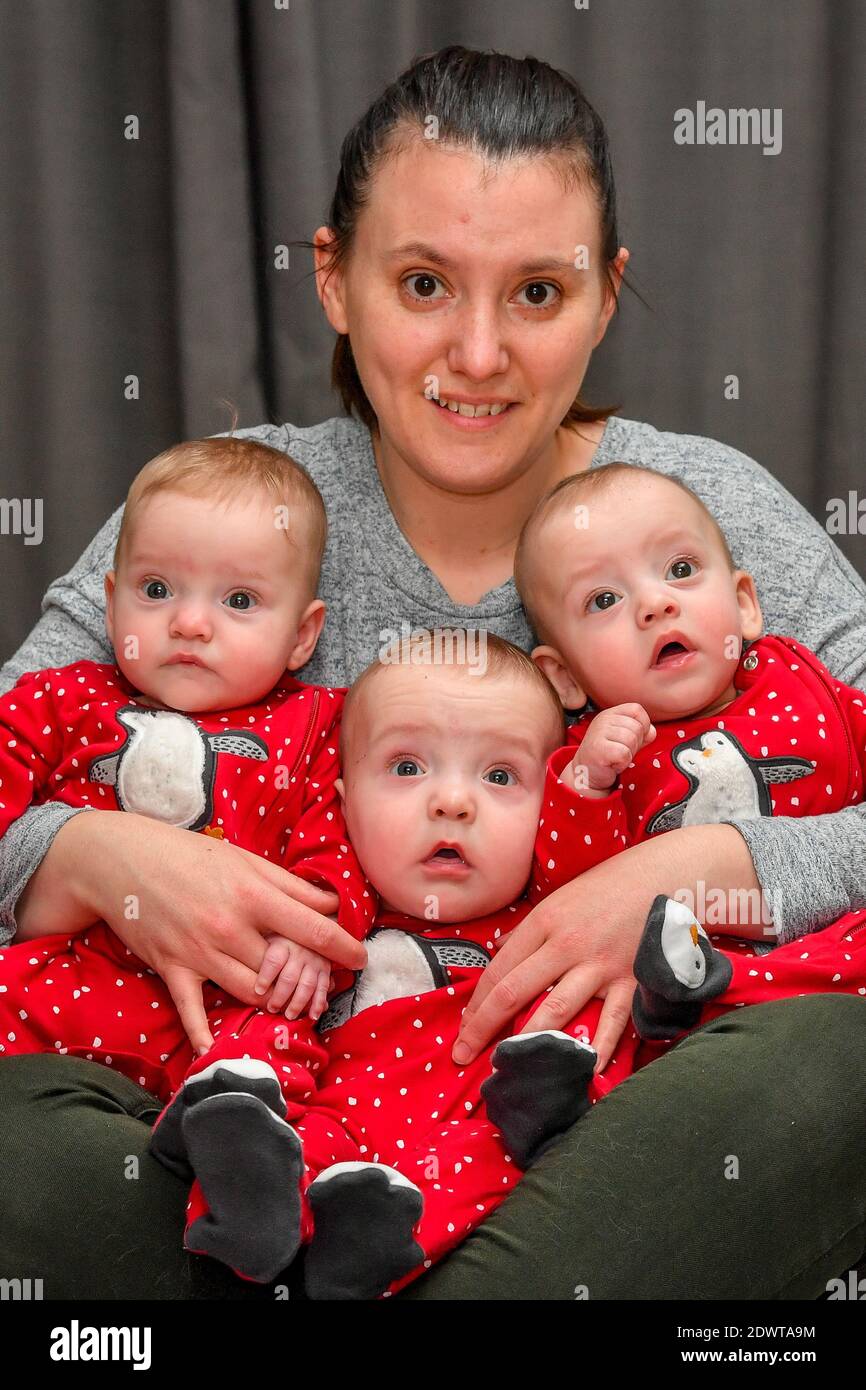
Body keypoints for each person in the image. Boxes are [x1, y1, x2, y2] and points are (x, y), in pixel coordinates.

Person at [2, 45, 865, 1301]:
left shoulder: (700, 513)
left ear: (607, 294)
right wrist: (84, 857)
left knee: (829, 1064)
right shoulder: (225, 511)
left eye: (534, 292)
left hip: (603, 1142)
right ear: (334, 280)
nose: (477, 353)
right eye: (420, 283)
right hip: (248, 1111)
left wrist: (719, 866)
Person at [0, 434, 376, 1283]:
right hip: (68, 983)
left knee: (277, 1071)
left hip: (229, 1012)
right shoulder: (64, 700)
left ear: (301, 633)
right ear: (110, 601)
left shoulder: (321, 727)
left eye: (239, 600)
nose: (190, 622)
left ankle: (253, 1210)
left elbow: (342, 850)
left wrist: (309, 936)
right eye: (157, 590)